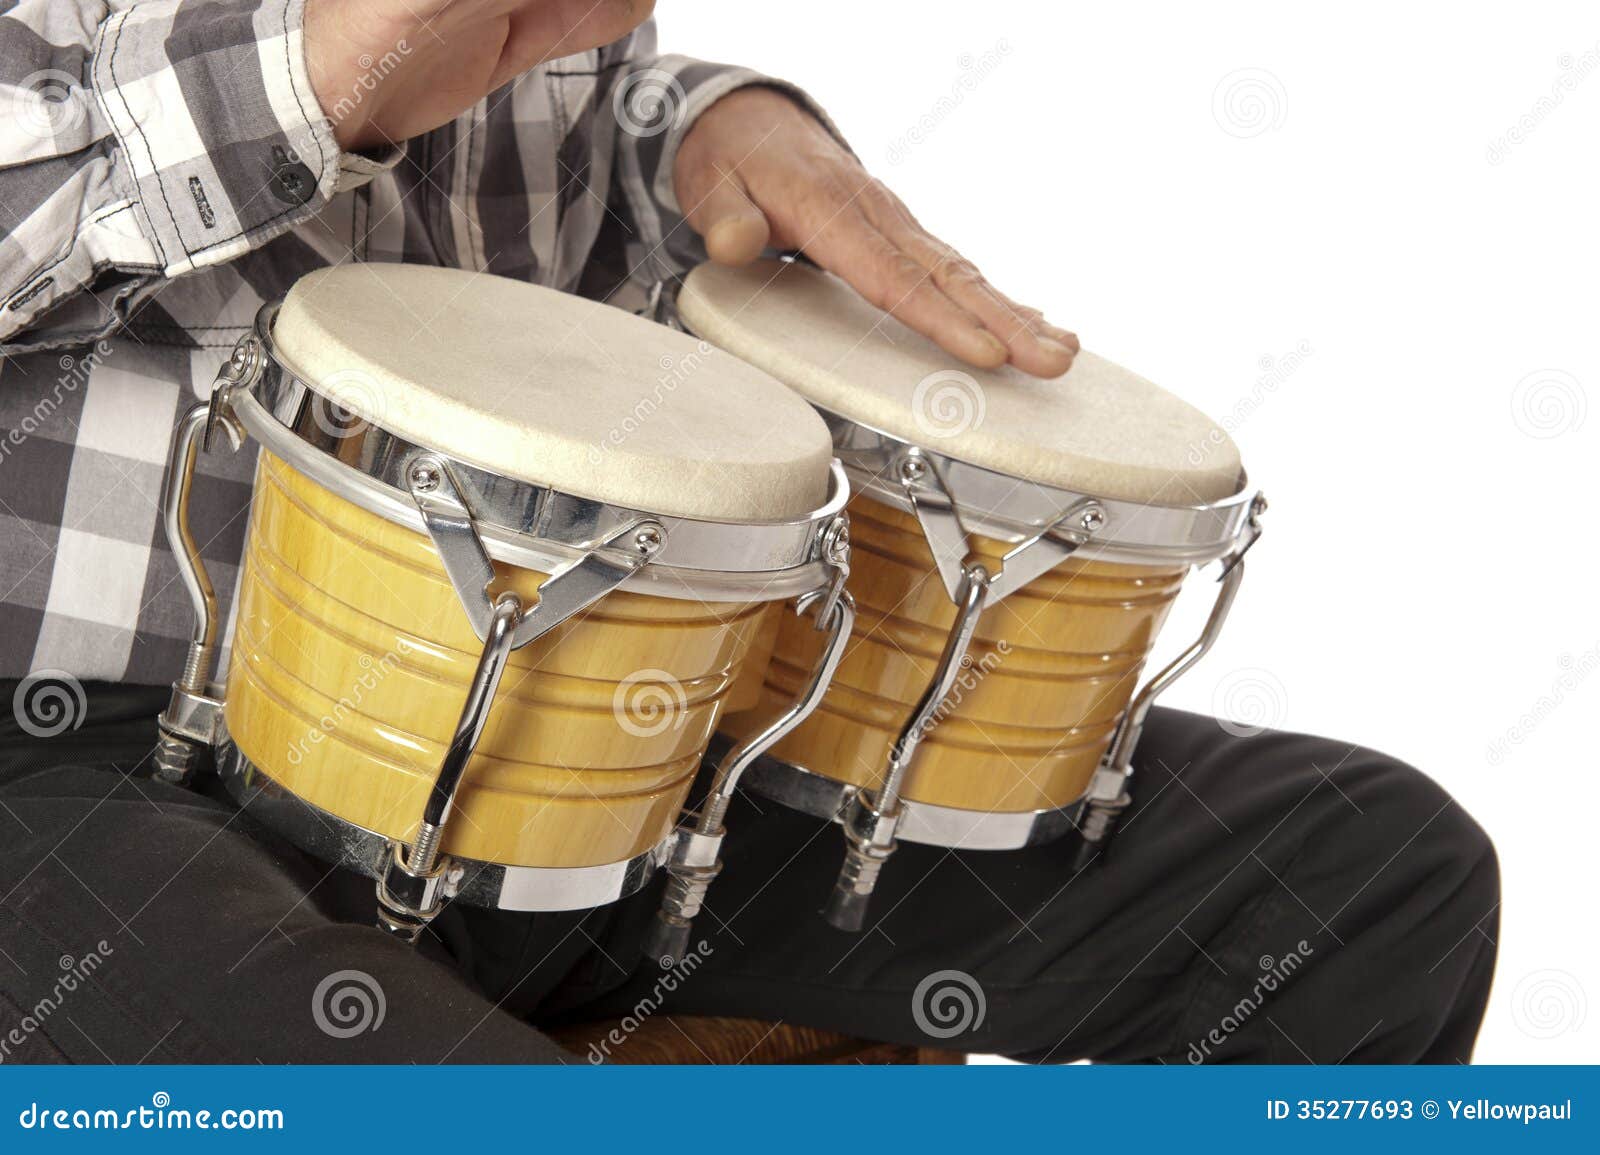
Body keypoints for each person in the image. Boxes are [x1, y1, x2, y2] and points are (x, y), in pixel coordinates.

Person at [0, 0, 1496, 1064]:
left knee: (1374, 885)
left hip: (588, 732)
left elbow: (551, 179)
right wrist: (319, 85)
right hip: (80, 769)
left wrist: (704, 134)